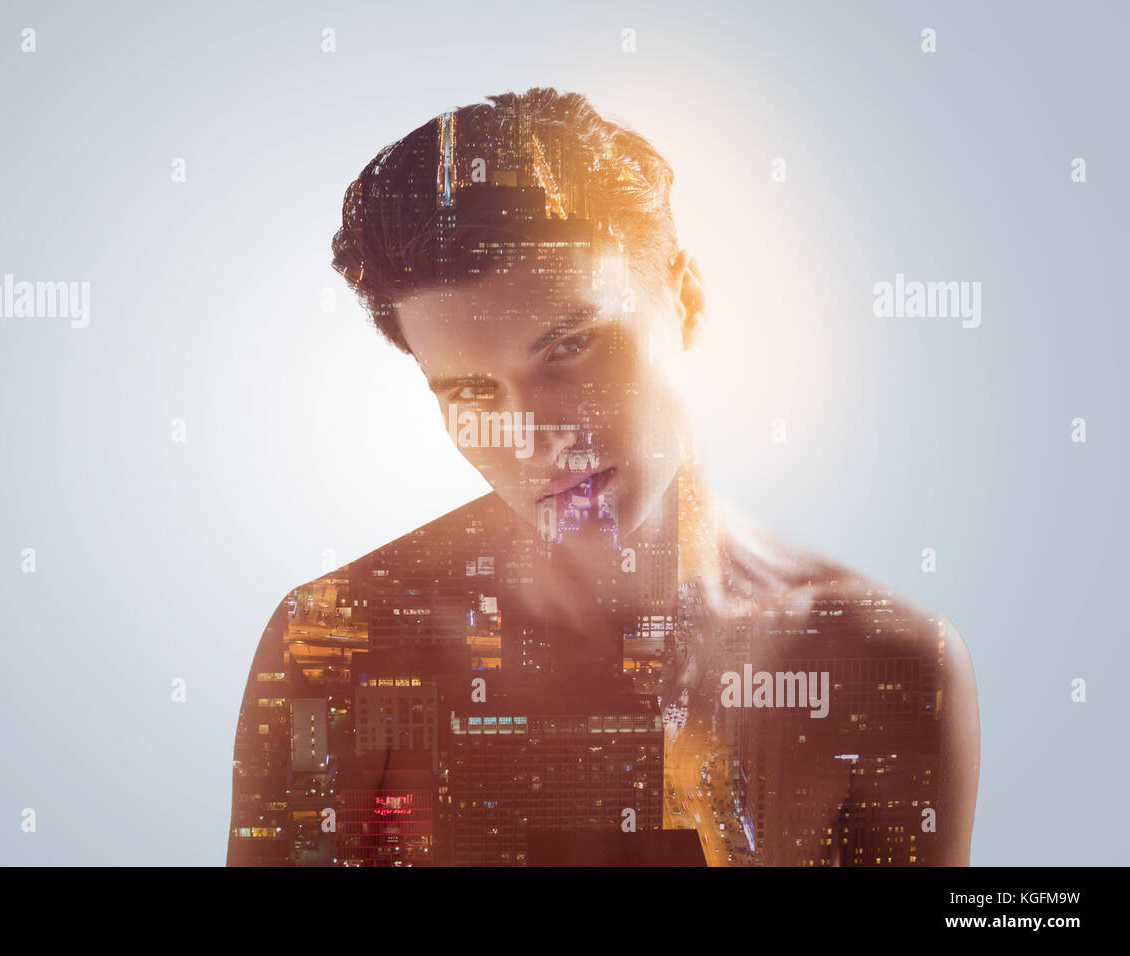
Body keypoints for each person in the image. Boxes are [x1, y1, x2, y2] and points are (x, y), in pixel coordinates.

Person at [227, 87, 979, 867]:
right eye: (471, 391)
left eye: (570, 346)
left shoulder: (884, 669)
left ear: (685, 300)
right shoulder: (341, 646)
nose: (538, 439)